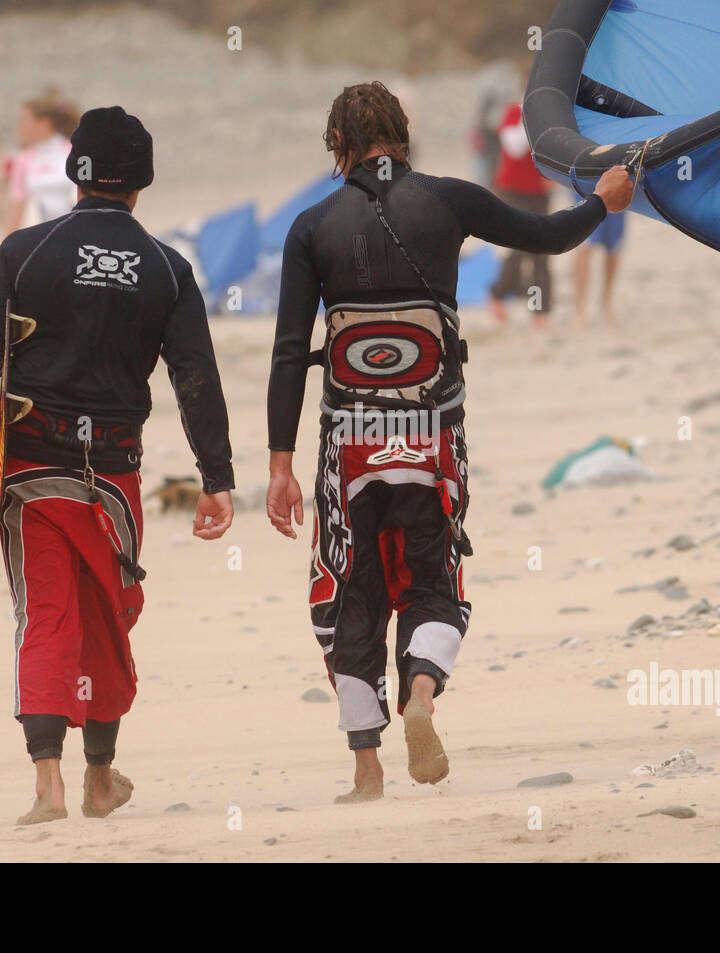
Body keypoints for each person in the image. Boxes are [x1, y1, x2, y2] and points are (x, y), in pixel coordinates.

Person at [266, 82, 633, 803]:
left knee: (348, 592)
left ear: (337, 144)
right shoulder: (451, 200)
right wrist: (604, 200)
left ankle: (366, 767)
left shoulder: (311, 226)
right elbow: (550, 237)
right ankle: (422, 697)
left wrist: (278, 464)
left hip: (349, 444)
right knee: (434, 581)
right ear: (401, 136)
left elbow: (287, 352)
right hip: (431, 437)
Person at [0, 106, 236, 824]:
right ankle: (100, 774)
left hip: (31, 469)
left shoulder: (24, 252)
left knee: (44, 611)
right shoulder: (167, 268)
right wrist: (216, 477)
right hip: (115, 476)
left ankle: (50, 784)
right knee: (106, 614)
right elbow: (196, 377)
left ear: (75, 171)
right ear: (143, 181)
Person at [486, 80, 557, 327]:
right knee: (515, 247)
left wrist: (556, 176)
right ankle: (497, 295)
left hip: (539, 192)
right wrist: (532, 113)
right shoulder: (513, 112)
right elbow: (515, 147)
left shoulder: (551, 116)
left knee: (542, 251)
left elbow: (555, 148)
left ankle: (540, 313)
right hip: (512, 191)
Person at [3, 91, 79, 234]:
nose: (20, 126)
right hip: (38, 241)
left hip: (74, 237)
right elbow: (16, 210)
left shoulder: (75, 153)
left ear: (44, 123)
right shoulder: (22, 161)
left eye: (24, 120)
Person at [573, 210, 626, 327]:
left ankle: (606, 303)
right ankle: (580, 307)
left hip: (616, 196)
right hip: (586, 195)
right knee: (584, 246)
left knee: (613, 248)